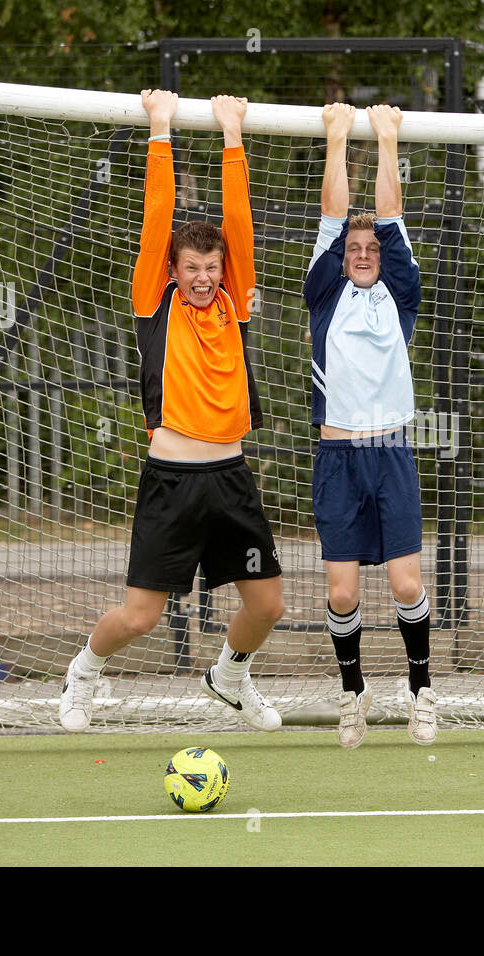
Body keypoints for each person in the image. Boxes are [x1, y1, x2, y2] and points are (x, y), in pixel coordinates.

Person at [59, 90, 285, 733]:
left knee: (266, 605)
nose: (205, 277)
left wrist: (232, 136)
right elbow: (158, 215)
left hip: (230, 478)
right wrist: (161, 128)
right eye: (193, 268)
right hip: (172, 481)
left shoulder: (233, 306)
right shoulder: (155, 304)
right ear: (173, 271)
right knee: (141, 617)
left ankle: (230, 675)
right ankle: (82, 674)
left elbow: (237, 224)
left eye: (213, 268)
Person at [304, 103, 435, 749]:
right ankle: (352, 693)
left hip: (391, 454)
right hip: (337, 459)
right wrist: (335, 139)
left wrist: (385, 138)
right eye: (352, 248)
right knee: (344, 593)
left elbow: (389, 215)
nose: (361, 252)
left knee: (408, 583)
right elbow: (336, 215)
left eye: (370, 248)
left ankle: (421, 690)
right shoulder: (324, 294)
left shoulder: (399, 295)